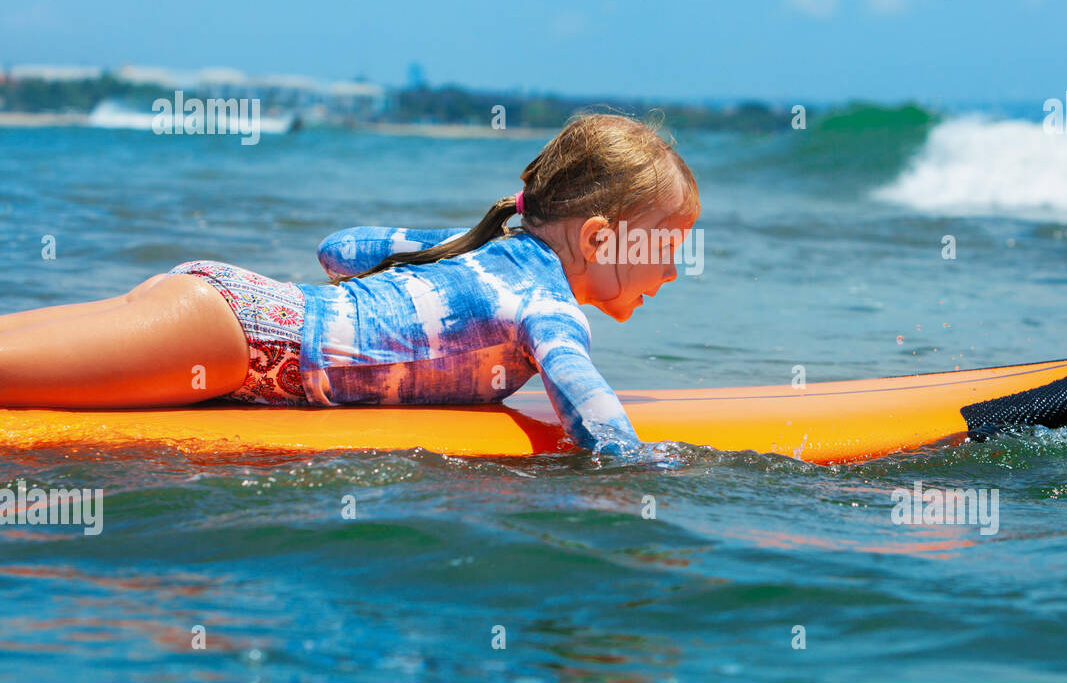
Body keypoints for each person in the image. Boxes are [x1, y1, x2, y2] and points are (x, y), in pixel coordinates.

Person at [0, 113, 700, 456]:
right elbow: (595, 416)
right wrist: (658, 479)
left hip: (221, 312)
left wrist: (445, 245)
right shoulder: (544, 305)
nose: (671, 271)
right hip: (238, 345)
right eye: (665, 248)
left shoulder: (481, 258)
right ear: (599, 238)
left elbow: (337, 251)